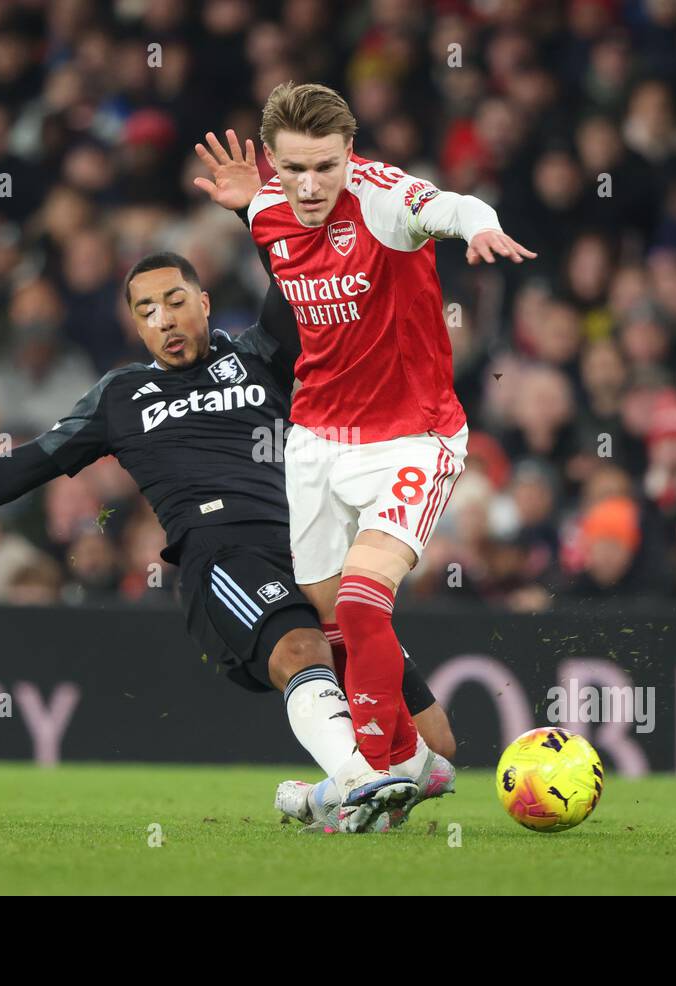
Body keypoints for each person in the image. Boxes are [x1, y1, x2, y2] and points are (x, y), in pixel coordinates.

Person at [0, 253, 454, 834]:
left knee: (436, 751)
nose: (164, 320)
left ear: (205, 302)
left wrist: (249, 207)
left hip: (314, 553)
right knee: (302, 648)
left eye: (175, 301)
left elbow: (297, 277)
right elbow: (17, 467)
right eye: (146, 311)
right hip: (219, 557)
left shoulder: (261, 355)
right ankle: (354, 782)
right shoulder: (122, 397)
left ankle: (319, 797)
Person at [193, 82, 534, 830]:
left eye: (325, 166)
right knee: (331, 621)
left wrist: (482, 226)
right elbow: (267, 209)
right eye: (293, 170)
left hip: (414, 435)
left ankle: (370, 781)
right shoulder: (269, 208)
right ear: (274, 164)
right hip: (315, 440)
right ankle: (417, 767)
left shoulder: (383, 198)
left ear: (351, 153)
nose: (310, 187)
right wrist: (253, 197)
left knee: (360, 597)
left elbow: (452, 206)